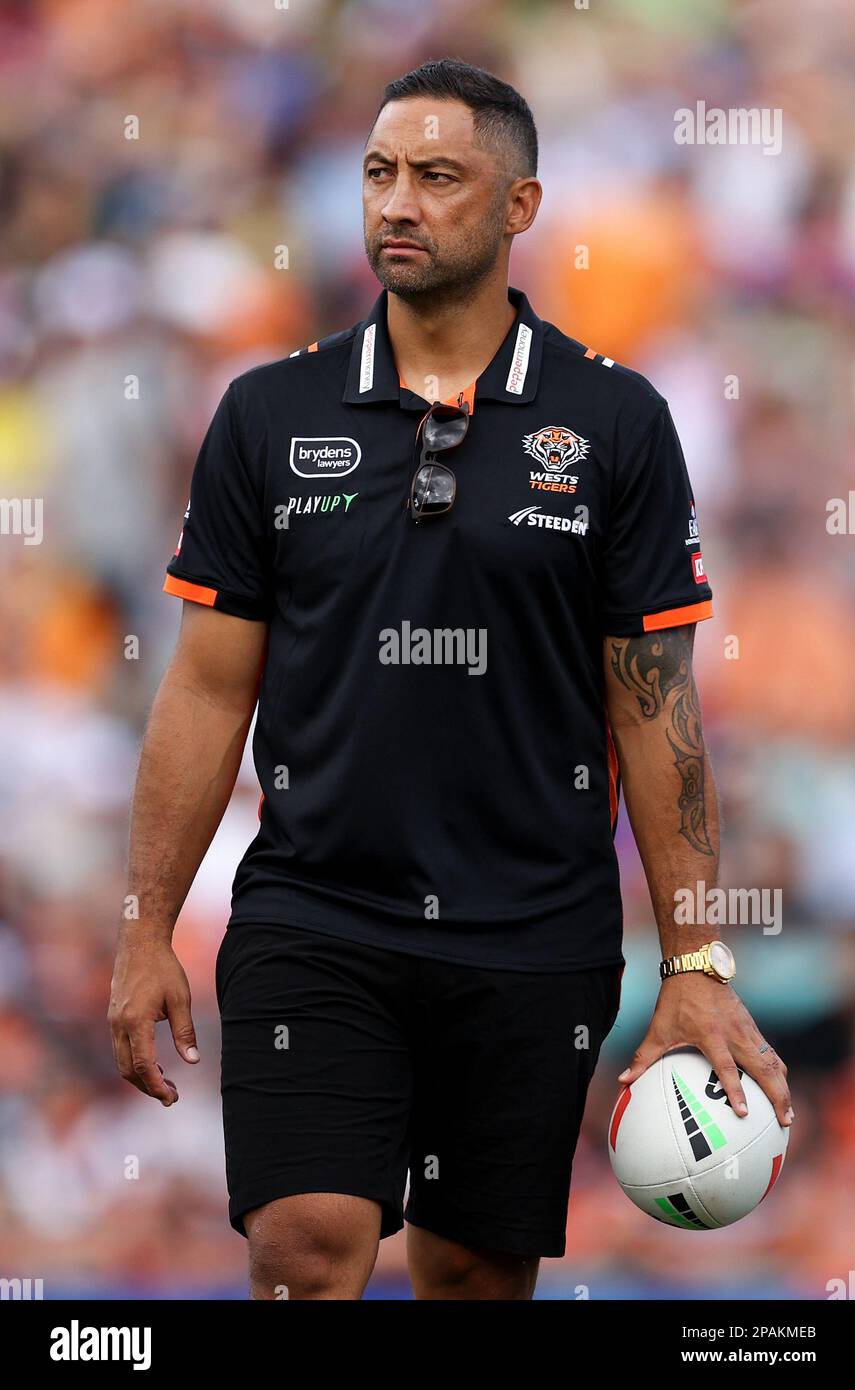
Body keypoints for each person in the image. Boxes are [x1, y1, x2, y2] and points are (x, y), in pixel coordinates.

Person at [109, 57, 793, 1301]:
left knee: (472, 1274)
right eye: (379, 173)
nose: (396, 203)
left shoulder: (615, 422)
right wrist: (145, 925)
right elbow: (206, 692)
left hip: (535, 930)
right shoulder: (266, 413)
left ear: (519, 206)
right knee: (304, 1243)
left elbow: (655, 707)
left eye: (436, 177)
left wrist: (694, 960)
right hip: (316, 910)